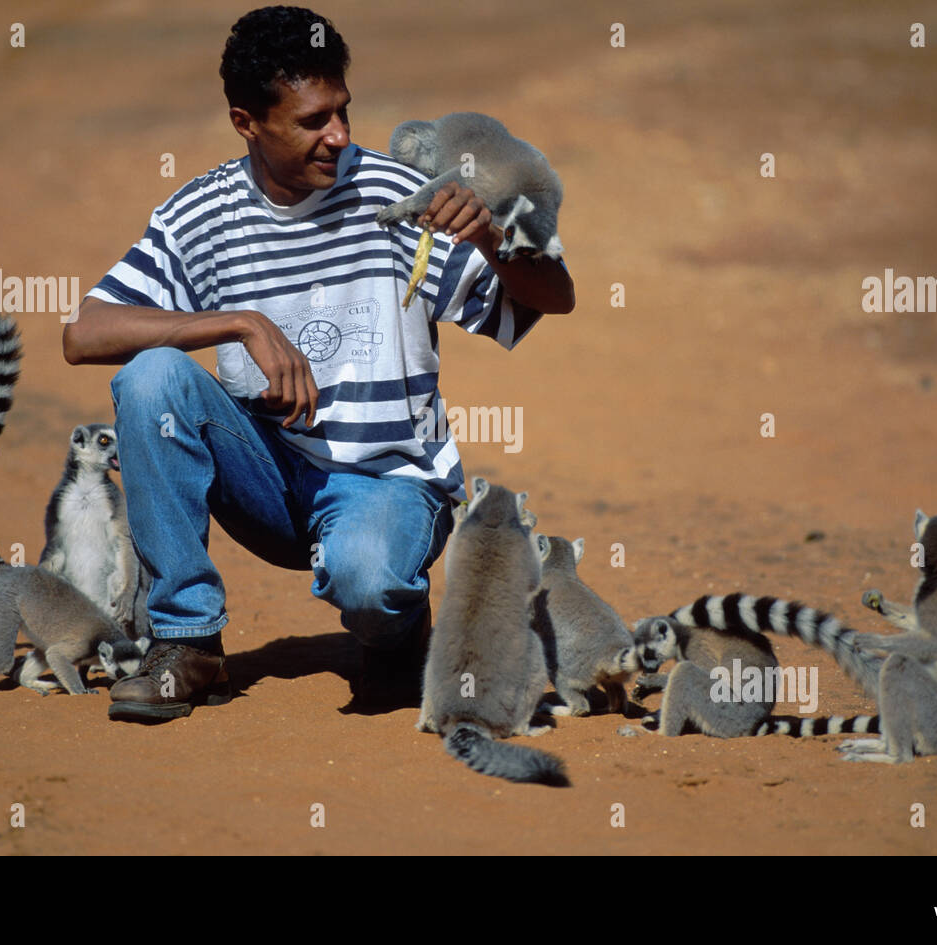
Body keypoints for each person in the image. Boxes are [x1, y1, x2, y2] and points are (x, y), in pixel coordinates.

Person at [63, 5, 575, 722]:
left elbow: (554, 298)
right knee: (151, 377)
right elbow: (83, 332)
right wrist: (241, 323)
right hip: (269, 481)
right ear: (247, 122)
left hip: (386, 480)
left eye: (342, 111)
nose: (337, 135)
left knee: (368, 580)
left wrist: (493, 237)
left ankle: (395, 633)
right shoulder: (202, 214)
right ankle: (187, 641)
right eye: (311, 122)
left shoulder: (398, 197)